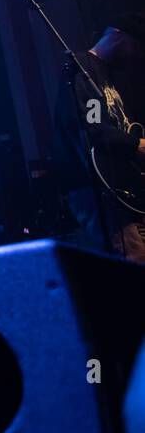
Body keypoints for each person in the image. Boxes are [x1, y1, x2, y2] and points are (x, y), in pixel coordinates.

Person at [54, 13, 145, 263]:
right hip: (95, 189)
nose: (136, 56)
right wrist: (136, 145)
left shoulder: (106, 76)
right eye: (134, 47)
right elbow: (93, 128)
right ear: (117, 36)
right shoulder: (83, 70)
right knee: (133, 260)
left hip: (118, 191)